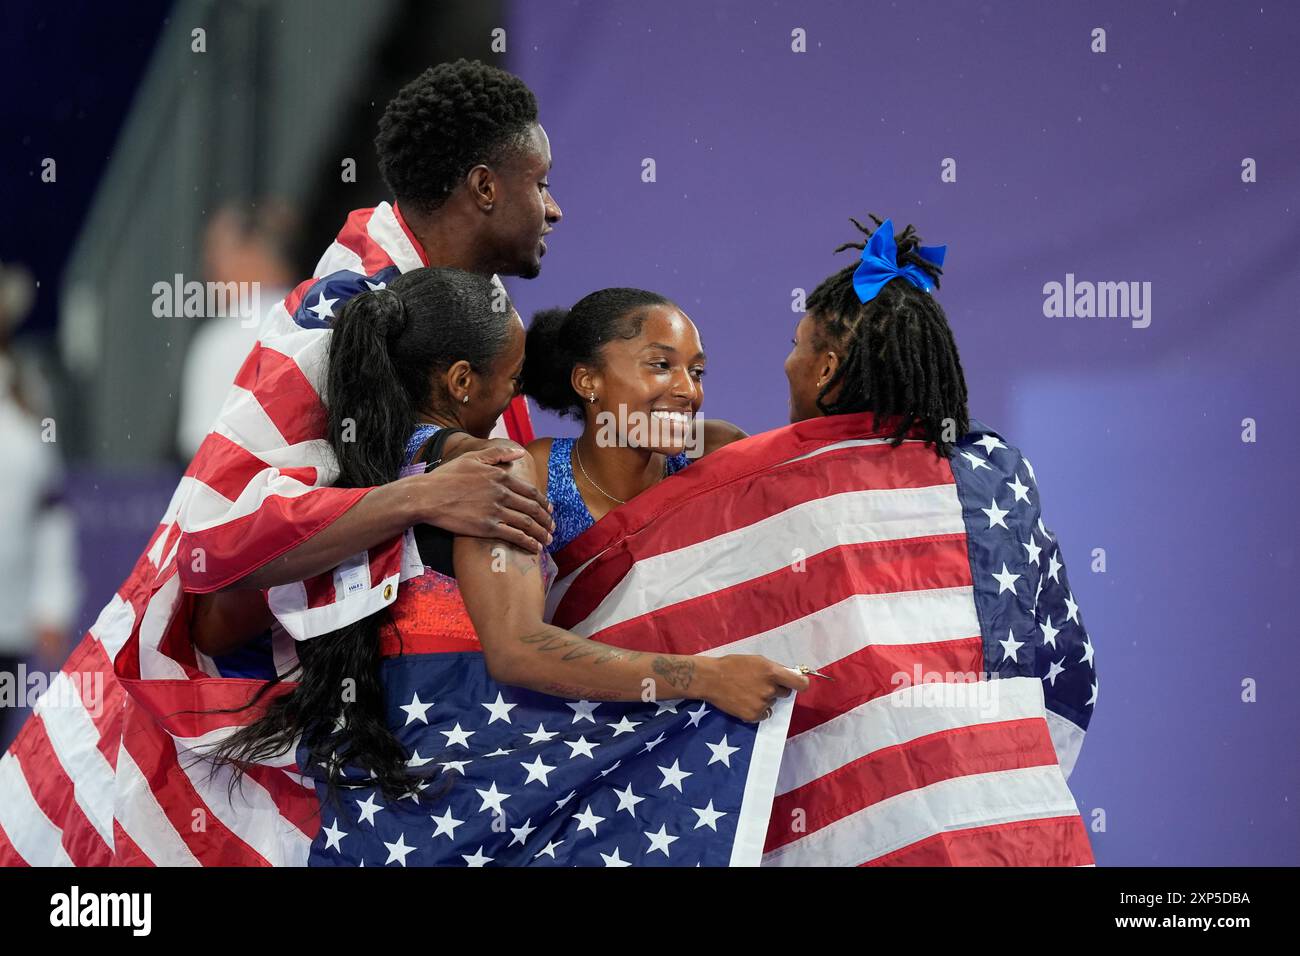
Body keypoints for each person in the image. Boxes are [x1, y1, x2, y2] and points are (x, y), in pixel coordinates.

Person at [198, 269, 805, 866]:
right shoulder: (503, 468)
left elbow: (215, 620)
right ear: (464, 381)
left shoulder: (337, 472)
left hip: (369, 796)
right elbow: (518, 649)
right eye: (514, 380)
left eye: (696, 371)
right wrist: (705, 679)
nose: (520, 398)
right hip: (473, 778)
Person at [520, 289, 747, 552]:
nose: (689, 390)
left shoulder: (715, 452)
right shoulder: (539, 471)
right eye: (661, 365)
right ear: (588, 381)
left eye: (696, 372)